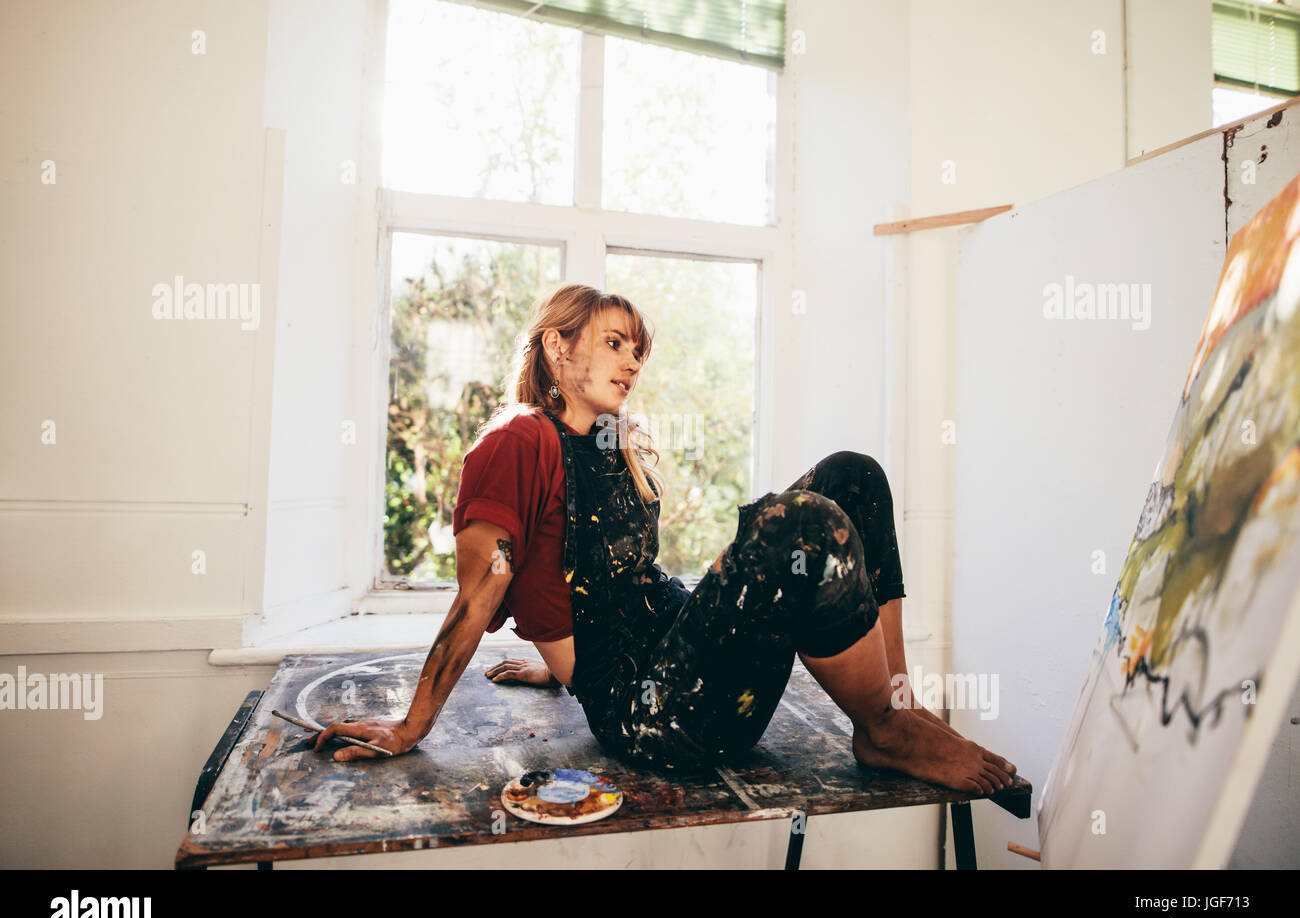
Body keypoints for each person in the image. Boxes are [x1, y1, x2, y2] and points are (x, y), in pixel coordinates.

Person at [308, 283, 1017, 795]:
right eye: (614, 343)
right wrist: (411, 725)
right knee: (801, 523)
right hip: (655, 715)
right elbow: (483, 588)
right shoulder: (519, 439)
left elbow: (594, 578)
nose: (632, 361)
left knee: (854, 477)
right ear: (557, 348)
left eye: (637, 350)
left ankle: (898, 702)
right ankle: (884, 732)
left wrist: (553, 663)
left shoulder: (614, 443)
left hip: (682, 658)